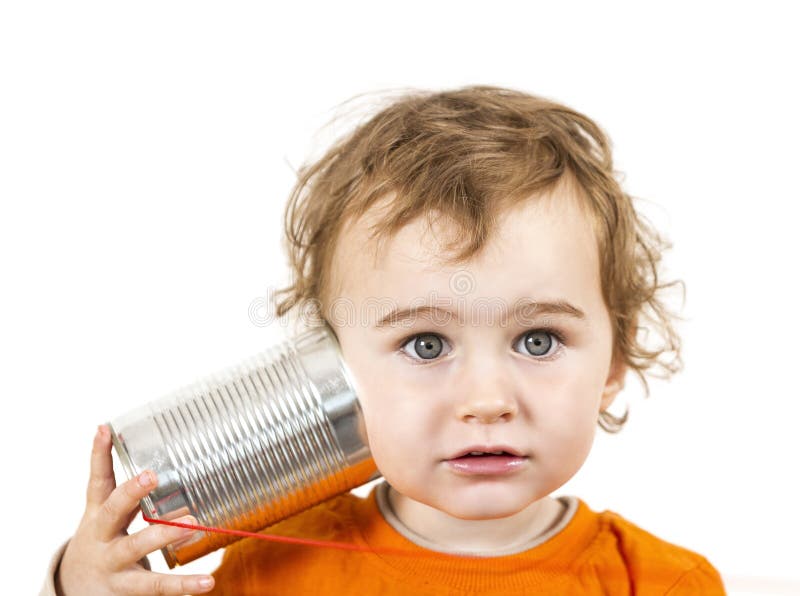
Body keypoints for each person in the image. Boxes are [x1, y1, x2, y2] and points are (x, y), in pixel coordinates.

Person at [42, 85, 726, 595]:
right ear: (330, 363)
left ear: (616, 358)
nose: (486, 401)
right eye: (427, 345)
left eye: (539, 340)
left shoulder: (661, 584)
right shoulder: (272, 566)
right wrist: (81, 585)